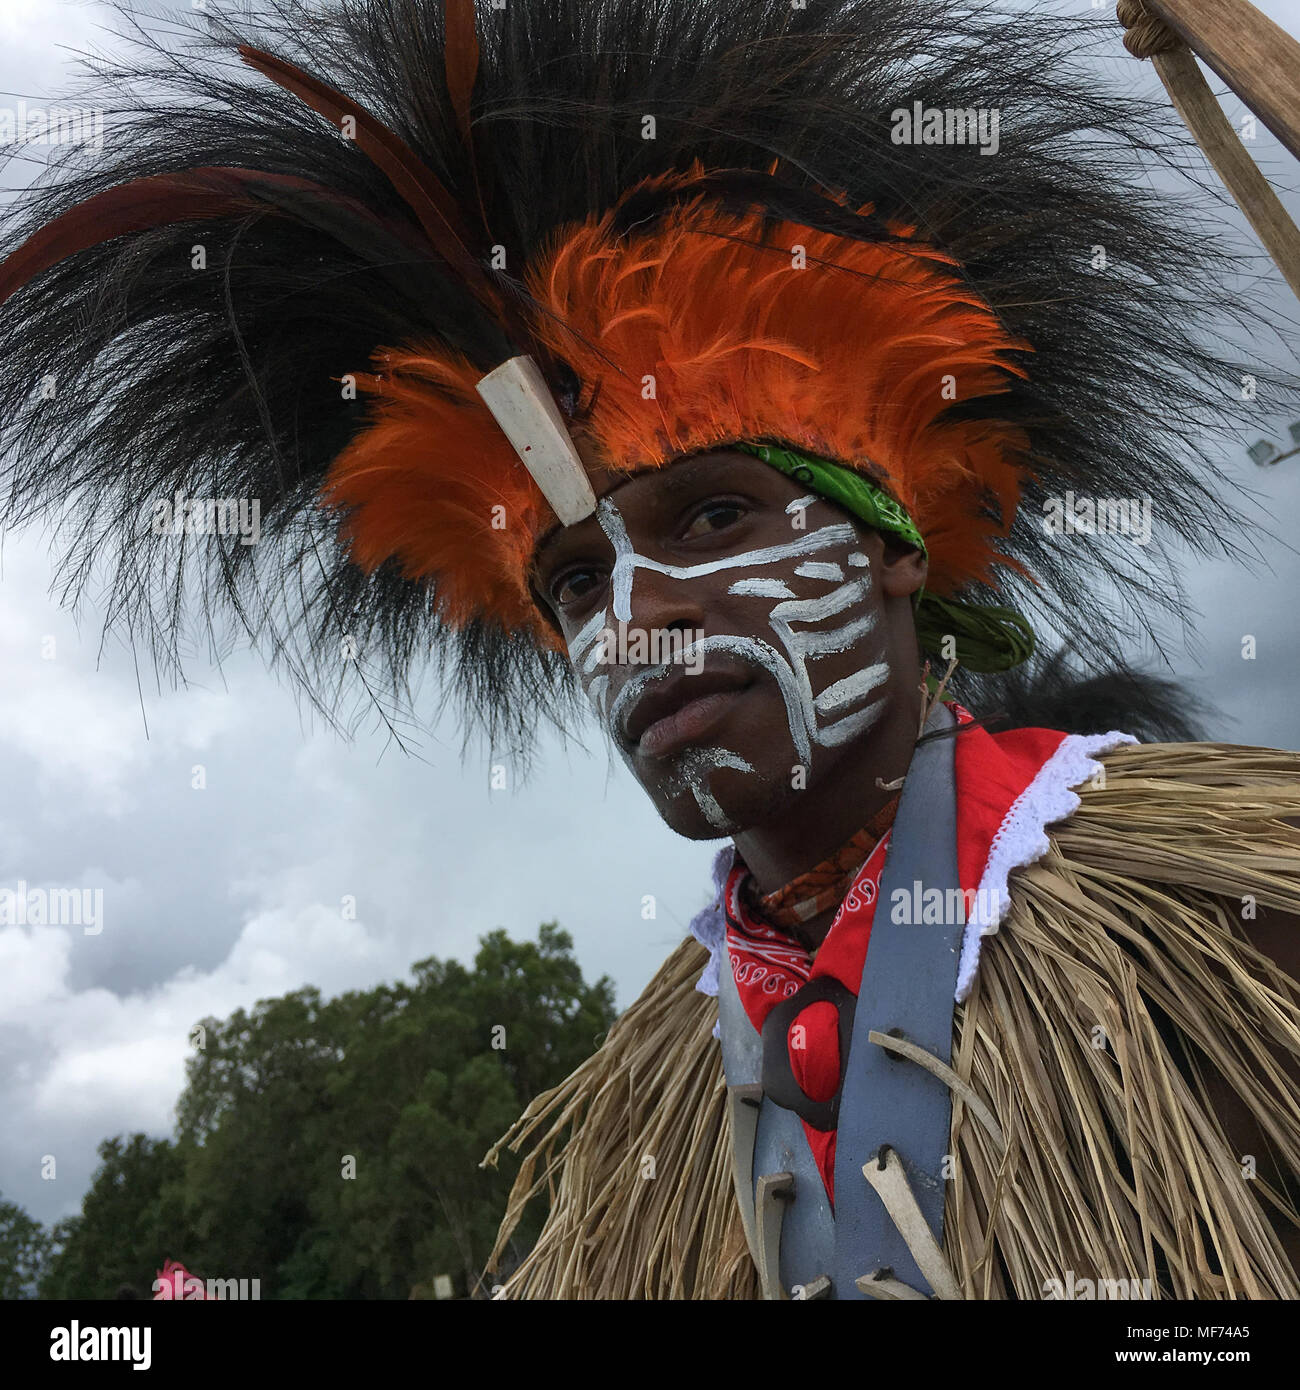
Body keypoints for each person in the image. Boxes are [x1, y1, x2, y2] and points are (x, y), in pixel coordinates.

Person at [1, 0, 1297, 1300]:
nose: (632, 617)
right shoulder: (648, 1112)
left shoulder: (1222, 918)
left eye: (718, 513)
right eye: (572, 581)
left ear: (895, 542)